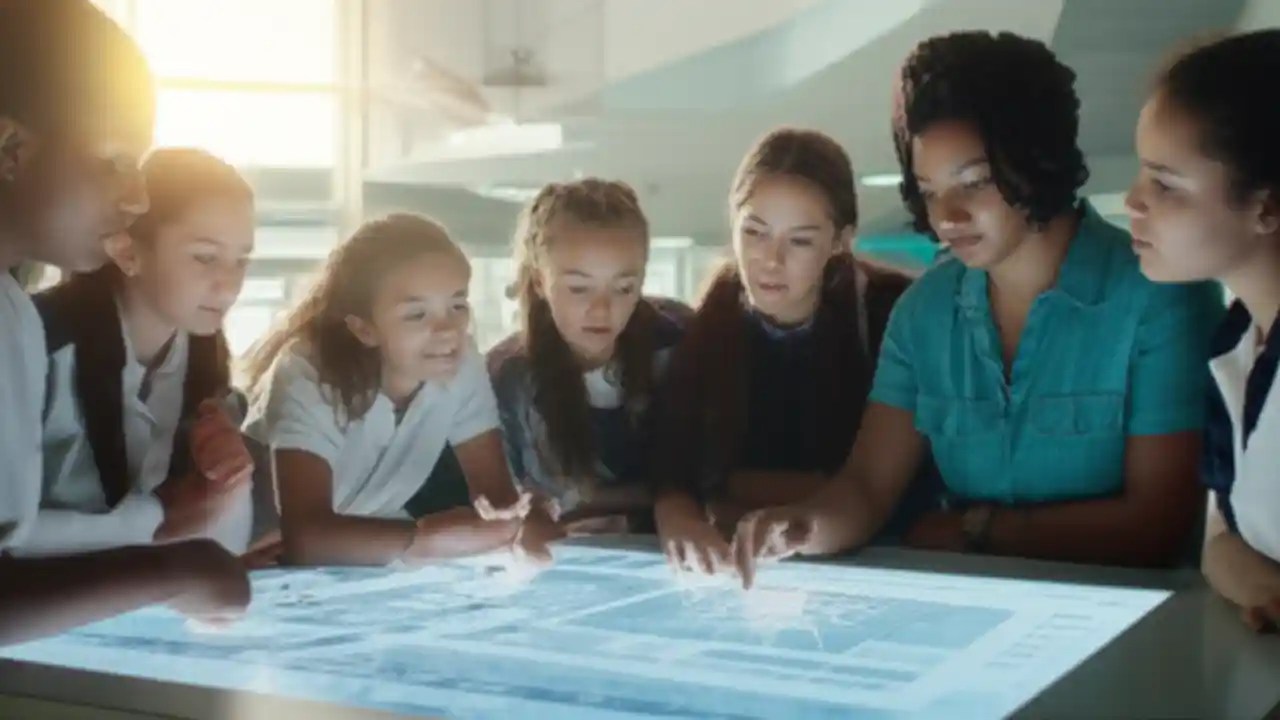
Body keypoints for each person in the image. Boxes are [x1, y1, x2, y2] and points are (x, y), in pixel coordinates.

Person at [732, 32, 1222, 587]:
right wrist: (805, 525)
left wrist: (978, 530)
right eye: (929, 189)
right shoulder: (923, 314)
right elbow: (866, 486)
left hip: (1133, 626)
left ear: (1035, 158)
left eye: (975, 182)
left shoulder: (1159, 293)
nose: (948, 216)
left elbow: (1157, 525)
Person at [0, 0, 248, 645]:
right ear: (10, 147)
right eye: (113, 160)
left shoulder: (13, 318)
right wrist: (168, 564)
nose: (135, 197)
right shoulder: (32, 331)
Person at [651, 128, 914, 574]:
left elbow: (893, 483)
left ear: (840, 240)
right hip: (750, 568)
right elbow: (673, 469)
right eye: (754, 232)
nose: (771, 259)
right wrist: (679, 517)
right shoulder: (707, 327)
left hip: (877, 561)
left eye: (800, 240)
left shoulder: (893, 316)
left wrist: (747, 495)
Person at [242, 213, 558, 567]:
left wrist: (529, 517)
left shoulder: (460, 361)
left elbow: (497, 501)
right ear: (364, 329)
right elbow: (307, 537)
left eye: (457, 305)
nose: (447, 330)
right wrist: (428, 540)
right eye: (416, 315)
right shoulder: (307, 372)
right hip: (243, 556)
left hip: (362, 556)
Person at [19, 148, 255, 557]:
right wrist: (160, 517)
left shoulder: (204, 367)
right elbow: (10, 535)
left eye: (242, 260)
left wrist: (228, 484)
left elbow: (222, 547)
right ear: (128, 251)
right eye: (205, 257)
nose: (229, 285)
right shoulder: (35, 341)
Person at [1126, 30, 1280, 632]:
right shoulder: (1238, 338)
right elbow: (1220, 541)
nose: (1135, 203)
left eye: (1166, 185)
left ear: (1266, 208)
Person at [488, 179, 688, 534]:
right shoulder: (508, 377)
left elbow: (712, 472)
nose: (601, 309)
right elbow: (512, 503)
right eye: (579, 288)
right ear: (539, 281)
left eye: (624, 288)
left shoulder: (677, 342)